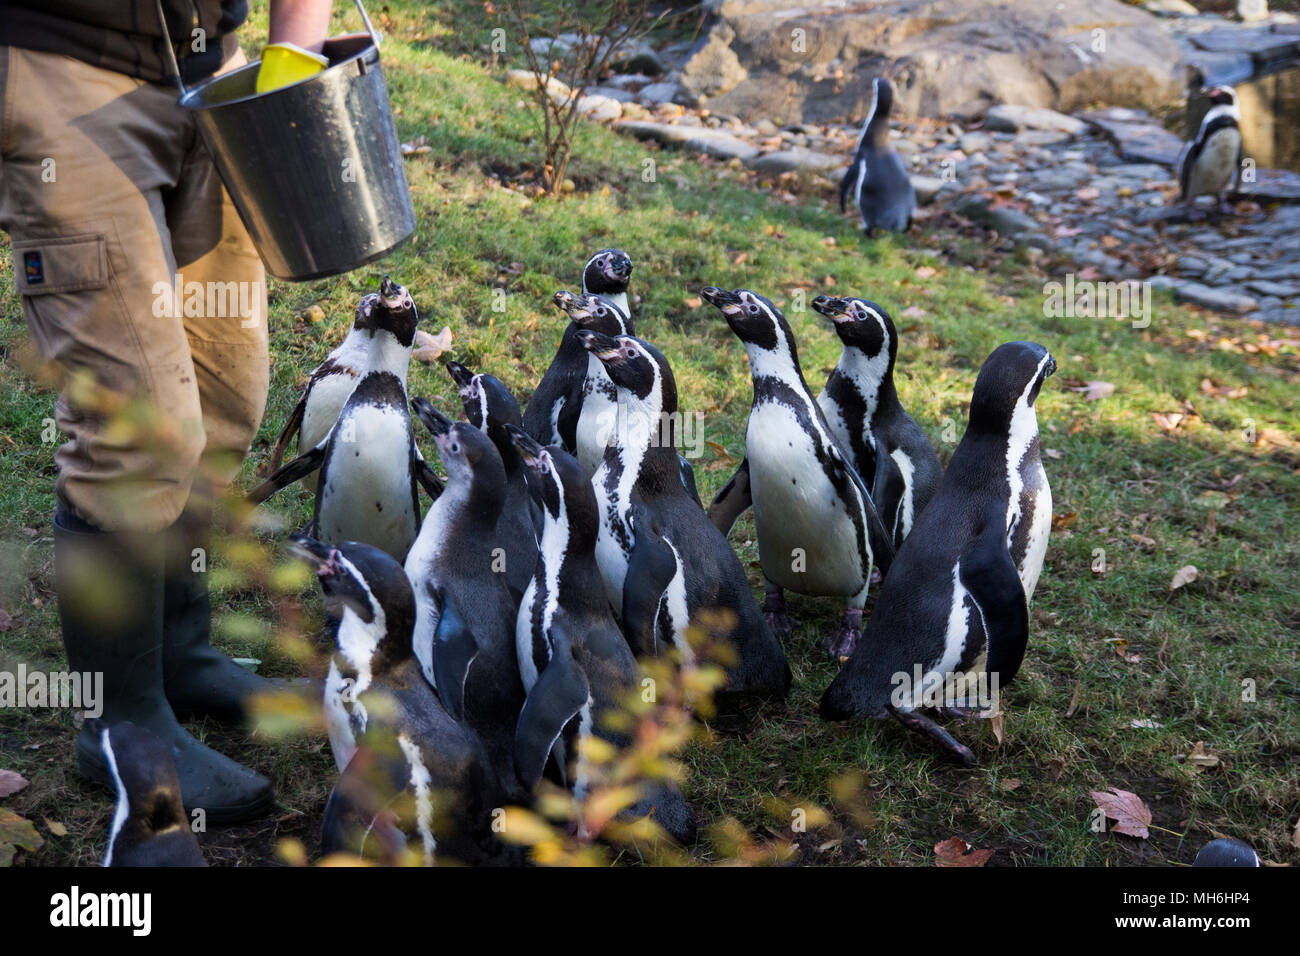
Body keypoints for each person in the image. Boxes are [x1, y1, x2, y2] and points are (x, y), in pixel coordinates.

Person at [0, 0, 334, 823]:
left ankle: (180, 656)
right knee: (139, 435)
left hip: (207, 74)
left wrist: (293, 55)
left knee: (223, 404)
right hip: (61, 70)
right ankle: (121, 725)